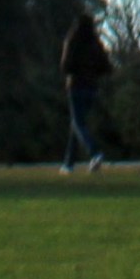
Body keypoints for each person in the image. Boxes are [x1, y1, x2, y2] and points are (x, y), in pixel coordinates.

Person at [58, 10, 110, 174]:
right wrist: (93, 73)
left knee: (78, 123)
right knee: (76, 124)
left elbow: (65, 66)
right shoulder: (95, 42)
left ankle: (94, 152)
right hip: (92, 87)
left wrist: (75, 71)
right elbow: (106, 65)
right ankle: (68, 164)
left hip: (76, 85)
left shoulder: (72, 40)